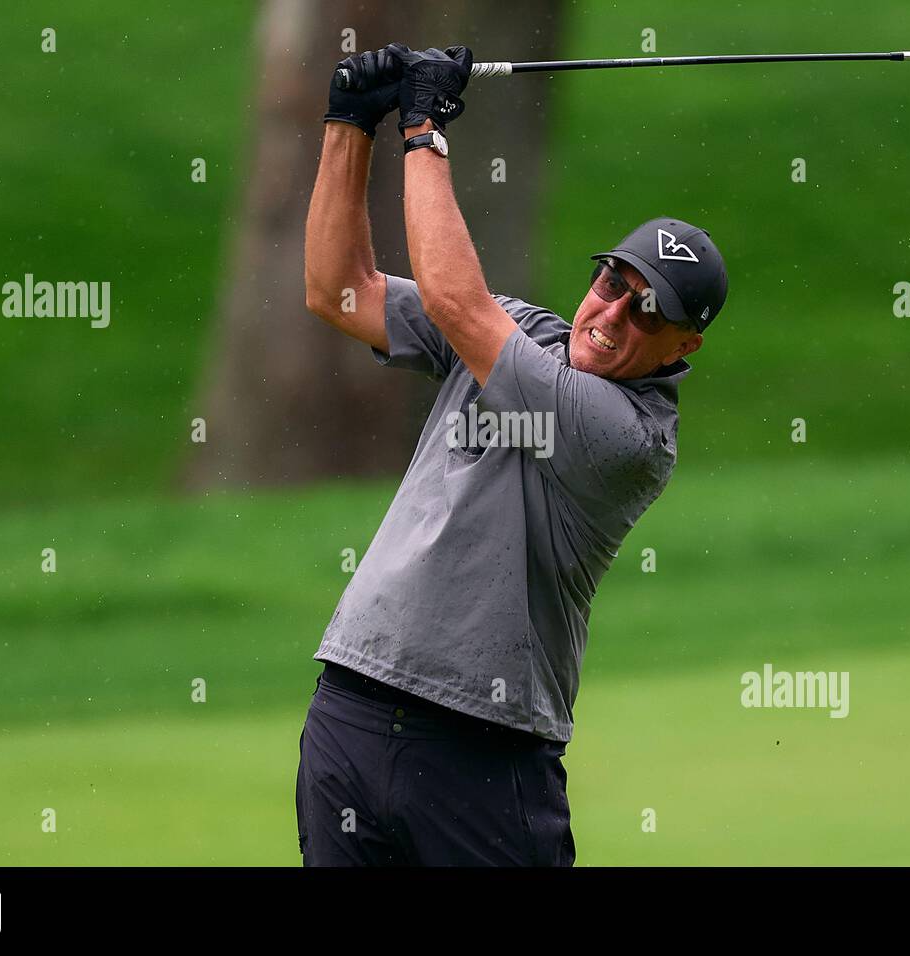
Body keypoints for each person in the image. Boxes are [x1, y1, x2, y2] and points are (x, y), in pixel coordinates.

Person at [297, 42, 729, 865]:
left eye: (649, 312)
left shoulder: (629, 437)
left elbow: (458, 305)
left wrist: (423, 132)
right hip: (351, 706)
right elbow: (338, 291)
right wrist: (349, 124)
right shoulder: (522, 329)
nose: (613, 315)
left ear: (685, 346)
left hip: (484, 753)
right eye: (614, 283)